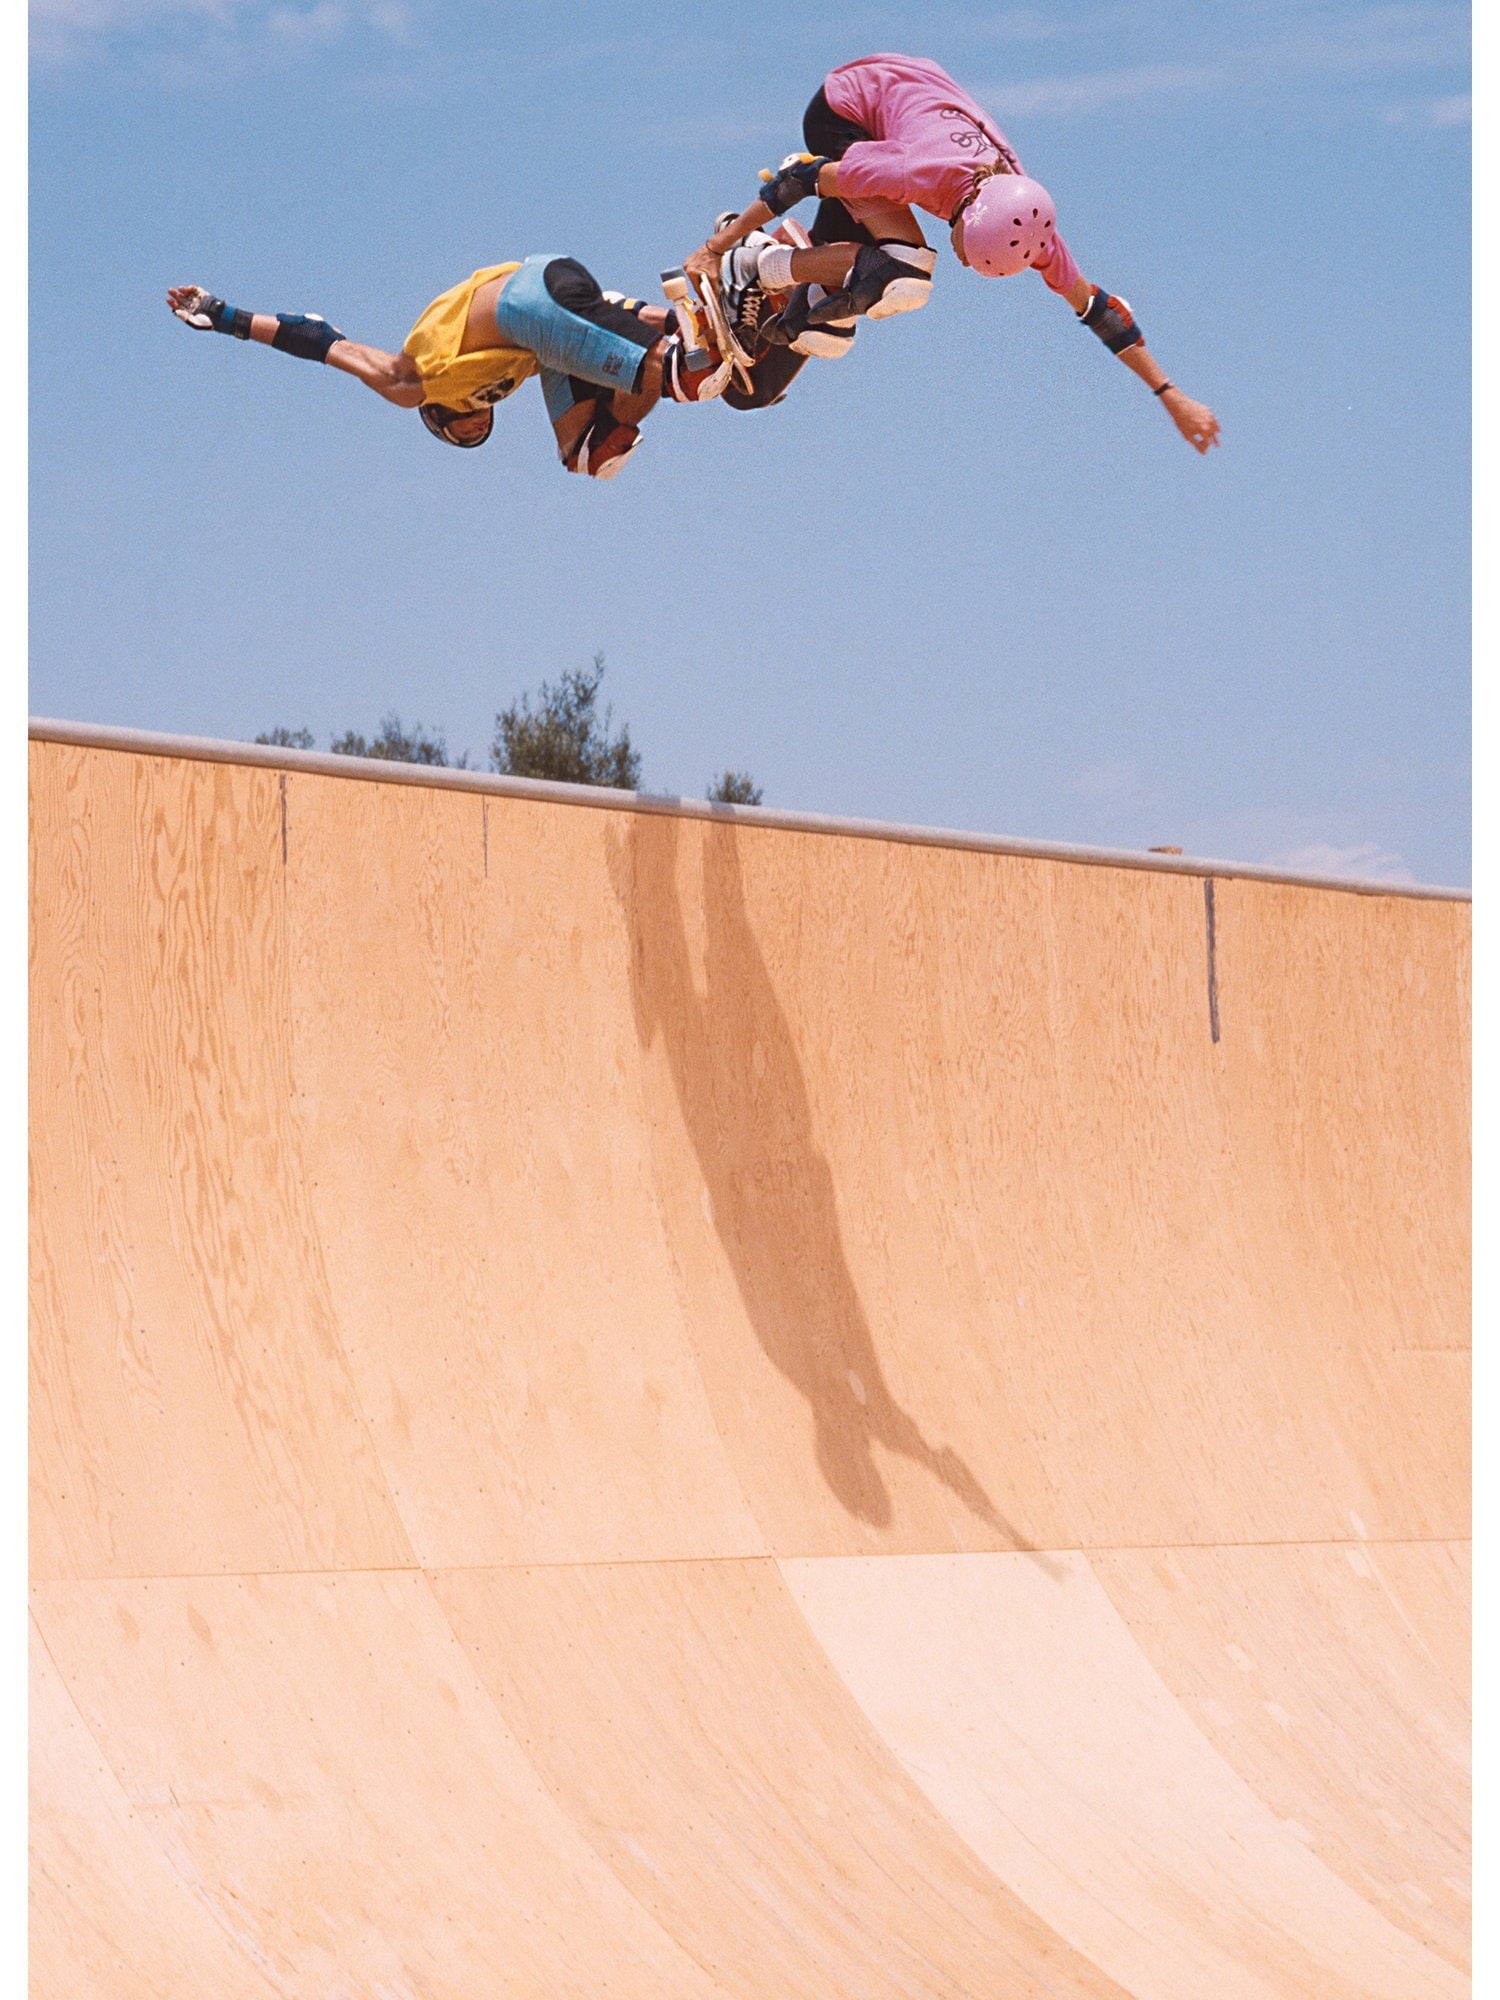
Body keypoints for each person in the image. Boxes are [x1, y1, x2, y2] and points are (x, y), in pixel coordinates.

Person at [685, 52, 1220, 454]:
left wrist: (1171, 395)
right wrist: (715, 249)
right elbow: (797, 179)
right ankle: (755, 262)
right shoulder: (915, 170)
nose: (962, 261)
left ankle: (796, 267)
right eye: (968, 251)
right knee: (905, 272)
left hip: (911, 98)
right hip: (846, 106)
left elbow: (1102, 310)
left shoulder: (1028, 221)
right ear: (965, 215)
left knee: (824, 330)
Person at [167, 252, 727, 479]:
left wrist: (225, 315)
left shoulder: (416, 382)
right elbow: (596, 315)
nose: (478, 427)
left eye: (463, 433)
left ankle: (731, 306)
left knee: (686, 376)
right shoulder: (510, 375)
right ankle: (713, 328)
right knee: (587, 456)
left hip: (527, 302)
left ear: (439, 418)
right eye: (479, 433)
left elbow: (323, 340)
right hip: (552, 301)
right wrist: (654, 316)